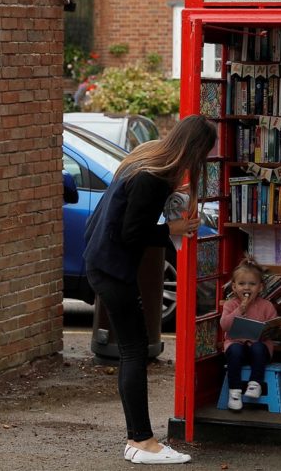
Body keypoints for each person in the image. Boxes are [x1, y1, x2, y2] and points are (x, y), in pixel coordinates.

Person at [83, 115, 216, 465]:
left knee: (134, 348)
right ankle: (141, 441)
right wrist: (170, 228)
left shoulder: (146, 157)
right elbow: (132, 233)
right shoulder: (153, 176)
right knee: (134, 350)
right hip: (112, 267)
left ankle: (137, 439)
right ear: (195, 149)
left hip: (102, 261)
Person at [219, 256, 281, 411]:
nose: (246, 288)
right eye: (242, 284)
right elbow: (225, 325)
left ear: (260, 287)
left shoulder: (266, 306)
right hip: (237, 347)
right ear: (234, 287)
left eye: (252, 284)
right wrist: (239, 310)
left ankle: (255, 383)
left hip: (258, 348)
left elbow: (274, 328)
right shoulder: (230, 304)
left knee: (258, 348)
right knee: (234, 350)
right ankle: (234, 393)